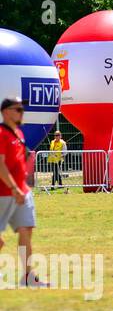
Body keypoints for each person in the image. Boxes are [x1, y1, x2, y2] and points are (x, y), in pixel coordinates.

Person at [0, 98, 44, 287]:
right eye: (18, 109)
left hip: (21, 191)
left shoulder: (18, 133)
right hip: (4, 192)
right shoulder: (1, 134)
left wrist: (20, 188)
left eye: (22, 108)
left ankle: (28, 277)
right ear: (6, 112)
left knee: (26, 228)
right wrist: (13, 187)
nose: (21, 111)